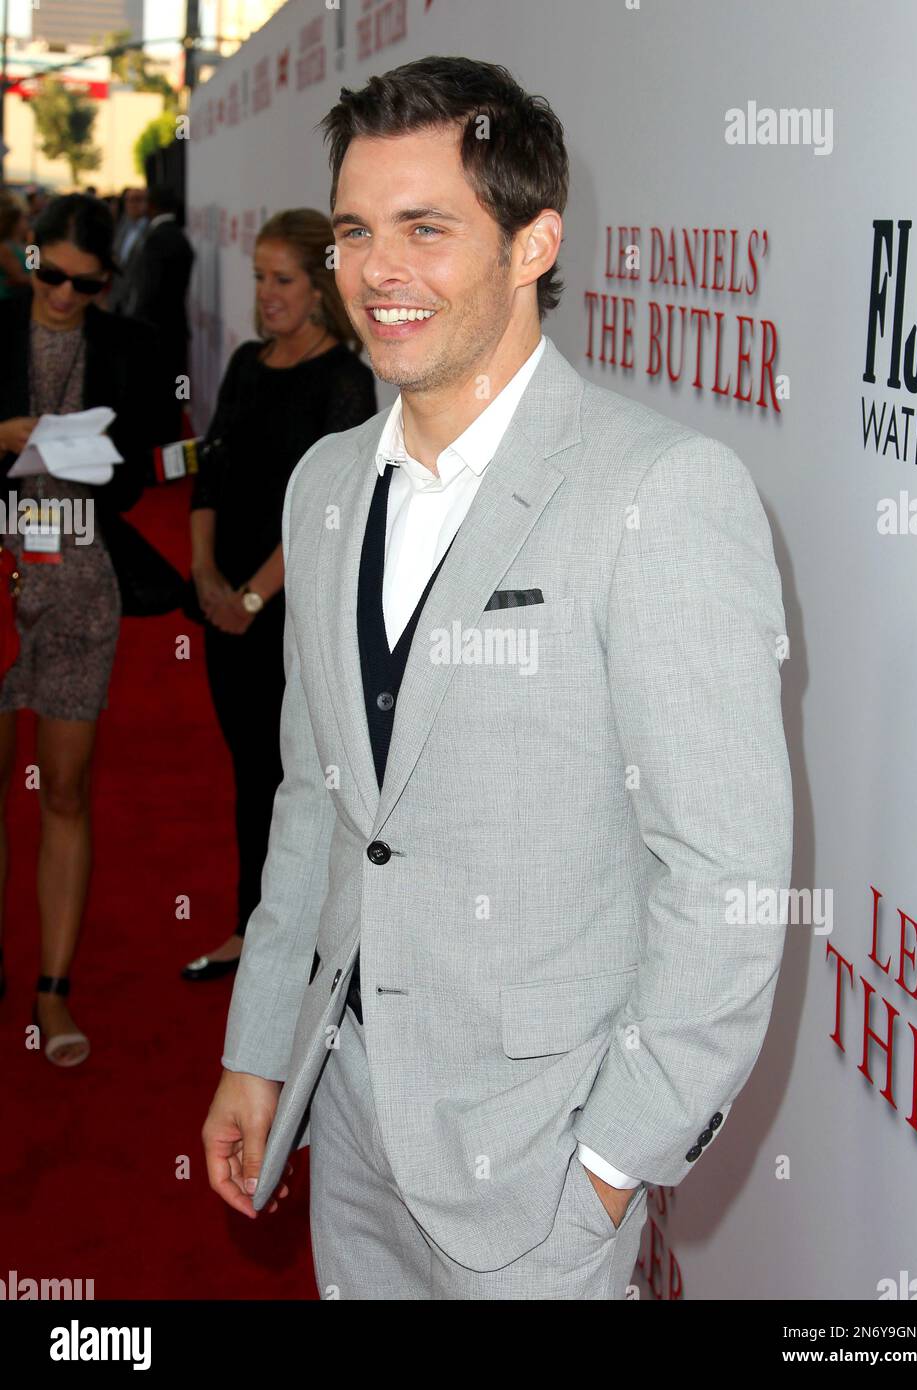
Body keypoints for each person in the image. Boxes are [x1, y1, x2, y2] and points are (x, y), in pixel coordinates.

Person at [202, 56, 793, 1300]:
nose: (378, 270)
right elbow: (315, 801)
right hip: (351, 1113)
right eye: (357, 230)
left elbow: (726, 879)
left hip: (542, 1164)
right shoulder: (321, 490)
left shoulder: (658, 494)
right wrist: (261, 1050)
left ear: (533, 243)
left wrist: (609, 1163)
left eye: (428, 228)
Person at [181, 209, 377, 983]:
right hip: (222, 608)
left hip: (289, 618)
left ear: (322, 286)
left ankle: (302, 945)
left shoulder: (344, 384)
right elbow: (210, 476)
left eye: (283, 280)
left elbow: (330, 513)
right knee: (247, 770)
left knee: (294, 777)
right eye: (260, 278)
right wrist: (203, 575)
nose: (266, 295)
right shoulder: (244, 364)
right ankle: (251, 929)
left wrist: (254, 600)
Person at [0, 193, 162, 1066]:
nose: (64, 297)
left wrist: (91, 458)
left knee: (65, 791)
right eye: (51, 275)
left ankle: (53, 992)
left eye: (86, 285)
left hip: (80, 587)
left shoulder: (131, 347)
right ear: (30, 256)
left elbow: (139, 473)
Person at [123, 185, 195, 441]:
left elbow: (149, 290)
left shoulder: (158, 239)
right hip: (173, 328)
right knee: (172, 391)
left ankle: (162, 440)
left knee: (160, 390)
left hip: (156, 331)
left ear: (151, 206)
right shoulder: (178, 236)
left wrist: (136, 327)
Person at [0, 191, 31, 302]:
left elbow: (35, 267)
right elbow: (19, 278)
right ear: (14, 223)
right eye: (24, 219)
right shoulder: (4, 247)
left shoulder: (27, 244)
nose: (28, 222)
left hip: (23, 296)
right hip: (8, 300)